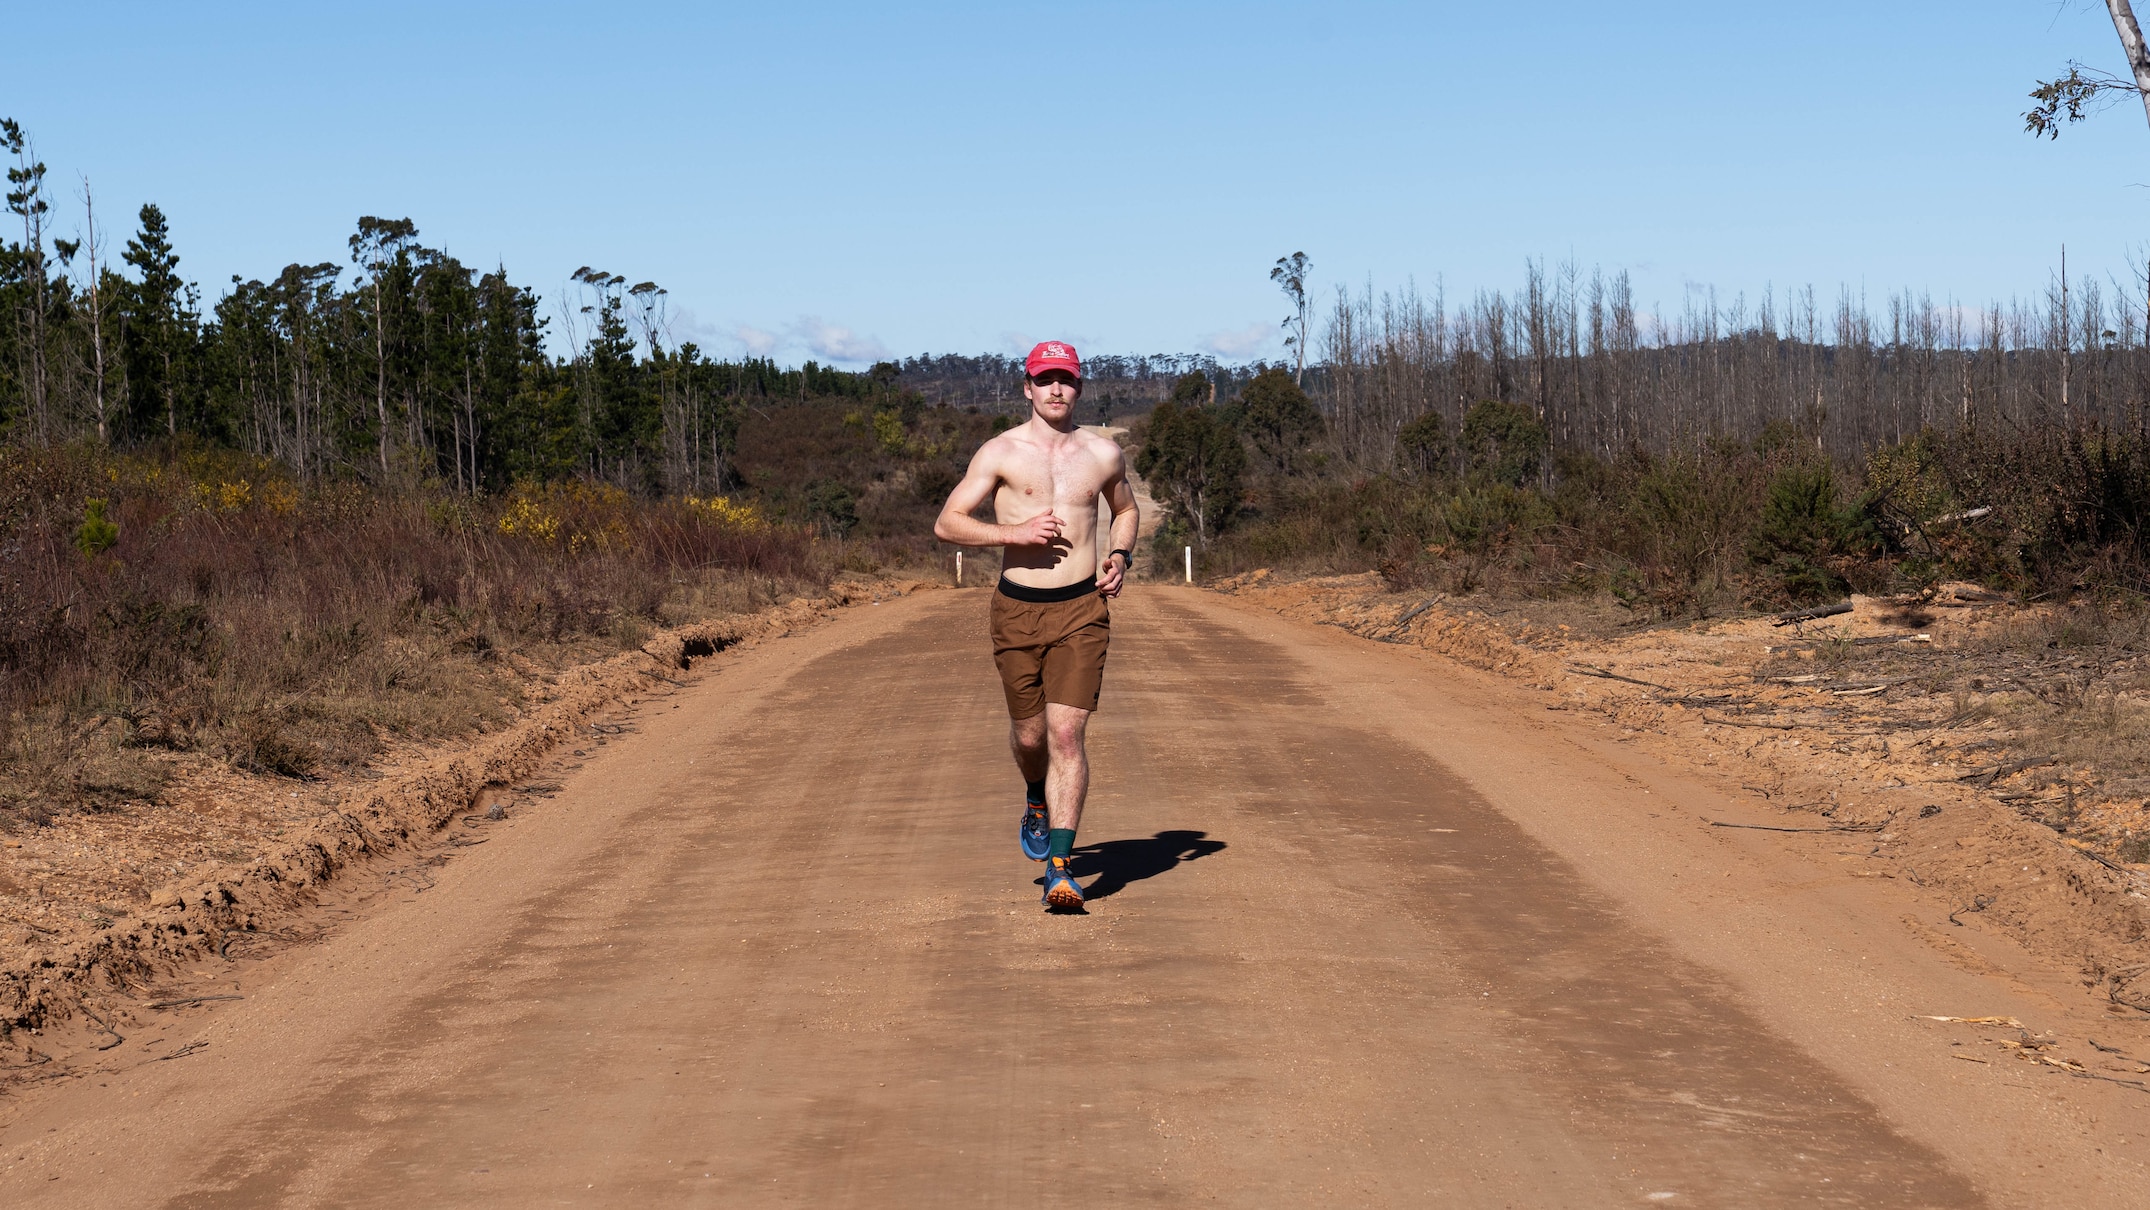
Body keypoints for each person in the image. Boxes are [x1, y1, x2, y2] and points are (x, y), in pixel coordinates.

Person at [933, 341, 1140, 909]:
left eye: (1066, 380)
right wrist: (1011, 535)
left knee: (1067, 735)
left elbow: (1125, 509)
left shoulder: (1102, 454)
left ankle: (1061, 869)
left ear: (1079, 388)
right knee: (1032, 738)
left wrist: (1119, 557)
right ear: (1026, 387)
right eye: (1045, 380)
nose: (1055, 390)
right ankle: (1034, 796)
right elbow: (948, 522)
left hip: (1082, 609)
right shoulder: (1001, 452)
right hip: (1017, 609)